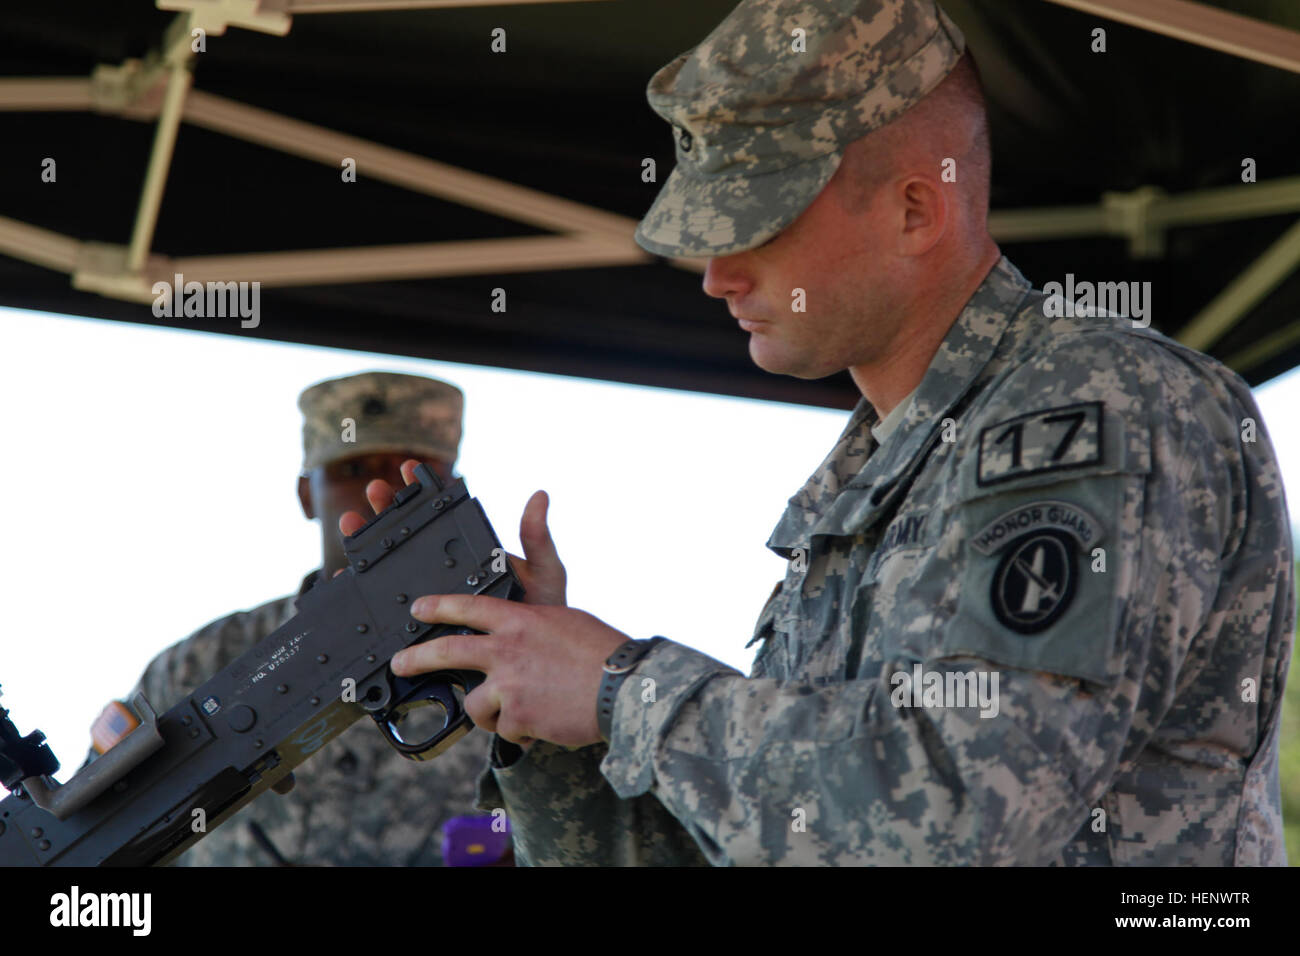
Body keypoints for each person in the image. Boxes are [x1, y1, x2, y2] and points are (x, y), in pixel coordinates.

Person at [360, 0, 1294, 865]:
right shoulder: (876, 474)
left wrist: (621, 687)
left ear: (915, 209)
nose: (716, 275)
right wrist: (544, 706)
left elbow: (968, 813)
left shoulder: (1099, 405)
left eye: (755, 225)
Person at [109, 371, 500, 865]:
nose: (380, 488)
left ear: (448, 485)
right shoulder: (197, 667)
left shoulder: (507, 658)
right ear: (305, 494)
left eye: (411, 469)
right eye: (351, 468)